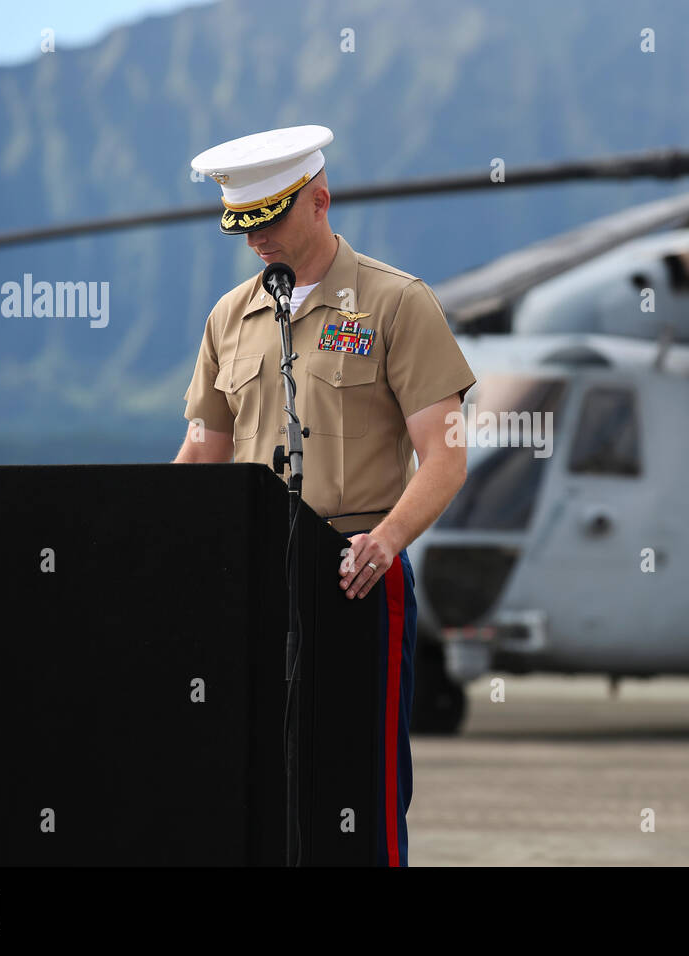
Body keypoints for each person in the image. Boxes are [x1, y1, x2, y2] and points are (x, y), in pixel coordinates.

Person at [175, 126, 475, 866]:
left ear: (320, 201)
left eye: (269, 220)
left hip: (355, 574)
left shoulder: (396, 303)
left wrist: (389, 540)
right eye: (241, 226)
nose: (255, 242)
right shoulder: (227, 317)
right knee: (250, 781)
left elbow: (446, 454)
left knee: (355, 784)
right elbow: (201, 455)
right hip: (249, 586)